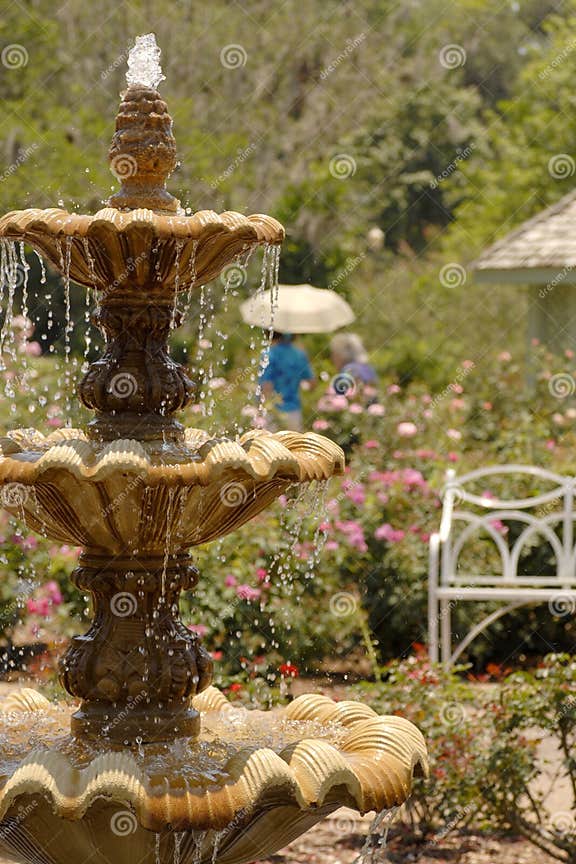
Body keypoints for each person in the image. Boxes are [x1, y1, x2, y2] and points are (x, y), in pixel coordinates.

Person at [259, 332, 315, 431]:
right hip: (294, 411)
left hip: (273, 412)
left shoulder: (268, 354)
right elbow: (312, 384)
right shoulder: (299, 354)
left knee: (272, 445)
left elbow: (266, 386)